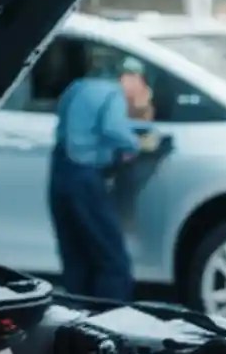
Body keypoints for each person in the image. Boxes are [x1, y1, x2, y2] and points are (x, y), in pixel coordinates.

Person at [48, 56, 159, 301]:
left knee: (76, 257)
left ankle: (78, 314)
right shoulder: (112, 94)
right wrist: (137, 143)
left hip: (59, 174)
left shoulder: (77, 87)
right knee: (113, 260)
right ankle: (111, 319)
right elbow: (113, 128)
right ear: (129, 77)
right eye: (142, 83)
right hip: (85, 178)